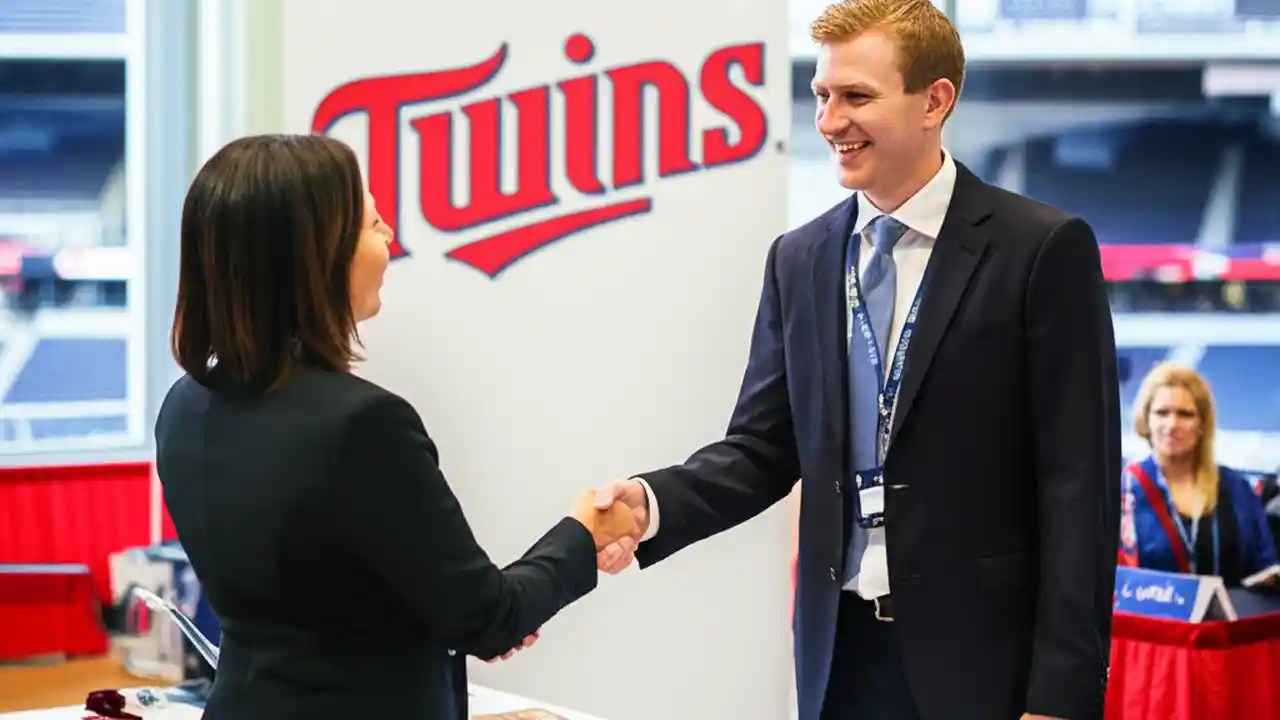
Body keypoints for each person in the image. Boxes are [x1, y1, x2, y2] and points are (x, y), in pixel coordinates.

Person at [592, 1, 1121, 718]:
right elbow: (762, 448)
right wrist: (651, 505)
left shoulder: (1040, 250)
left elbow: (1078, 487)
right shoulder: (801, 258)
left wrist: (1060, 695)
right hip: (839, 662)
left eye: (857, 97)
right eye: (822, 95)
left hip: (987, 668)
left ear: (936, 100)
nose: (830, 121)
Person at [155, 134, 632, 720]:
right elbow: (487, 617)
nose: (388, 241)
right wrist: (584, 532)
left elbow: (327, 595)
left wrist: (464, 609)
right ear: (315, 257)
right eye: (371, 225)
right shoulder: (361, 426)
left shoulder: (183, 407)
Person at [1120, 363, 1279, 586]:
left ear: (1202, 423)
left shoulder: (1236, 488)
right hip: (1149, 620)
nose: (1172, 424)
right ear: (1146, 420)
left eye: (1185, 414)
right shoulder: (1123, 490)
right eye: (1162, 413)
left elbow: (1266, 563)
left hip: (1235, 618)